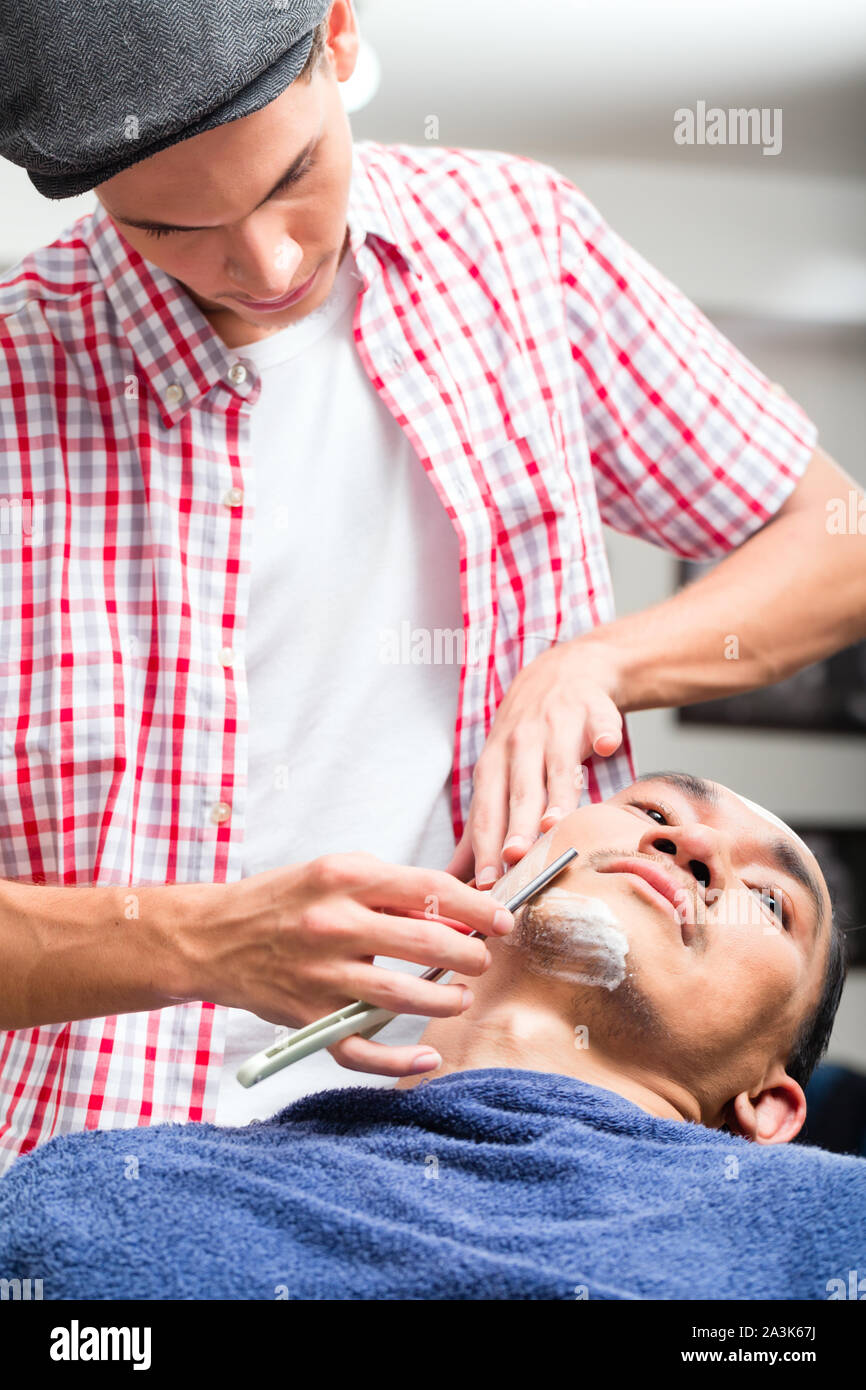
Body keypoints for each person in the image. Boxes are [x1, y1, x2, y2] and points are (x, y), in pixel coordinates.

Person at [1, 1, 865, 1172]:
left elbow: (838, 540)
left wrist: (599, 660)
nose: (264, 263)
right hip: (104, 1178)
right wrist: (202, 941)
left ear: (342, 42)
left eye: (290, 177)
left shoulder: (518, 247)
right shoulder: (18, 378)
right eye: (171, 227)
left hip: (515, 1163)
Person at [0, 771, 860, 1301]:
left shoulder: (832, 1227)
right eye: (648, 806)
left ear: (769, 1106)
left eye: (773, 901)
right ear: (508, 871)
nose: (693, 841)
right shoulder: (91, 1193)